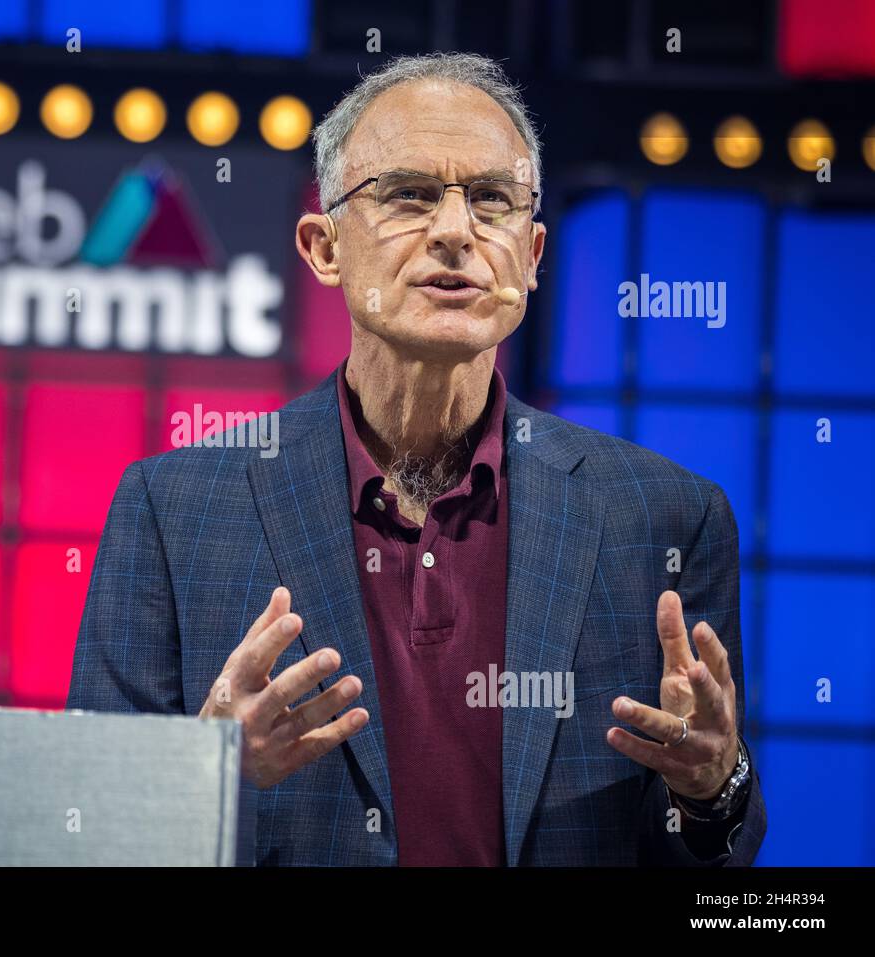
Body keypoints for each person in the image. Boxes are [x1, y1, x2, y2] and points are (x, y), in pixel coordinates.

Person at [67, 52, 765, 866]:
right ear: (324, 246)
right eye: (410, 195)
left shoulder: (666, 518)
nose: (455, 231)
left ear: (532, 256)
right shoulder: (173, 509)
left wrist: (714, 783)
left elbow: (710, 862)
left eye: (494, 202)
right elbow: (90, 831)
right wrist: (203, 773)